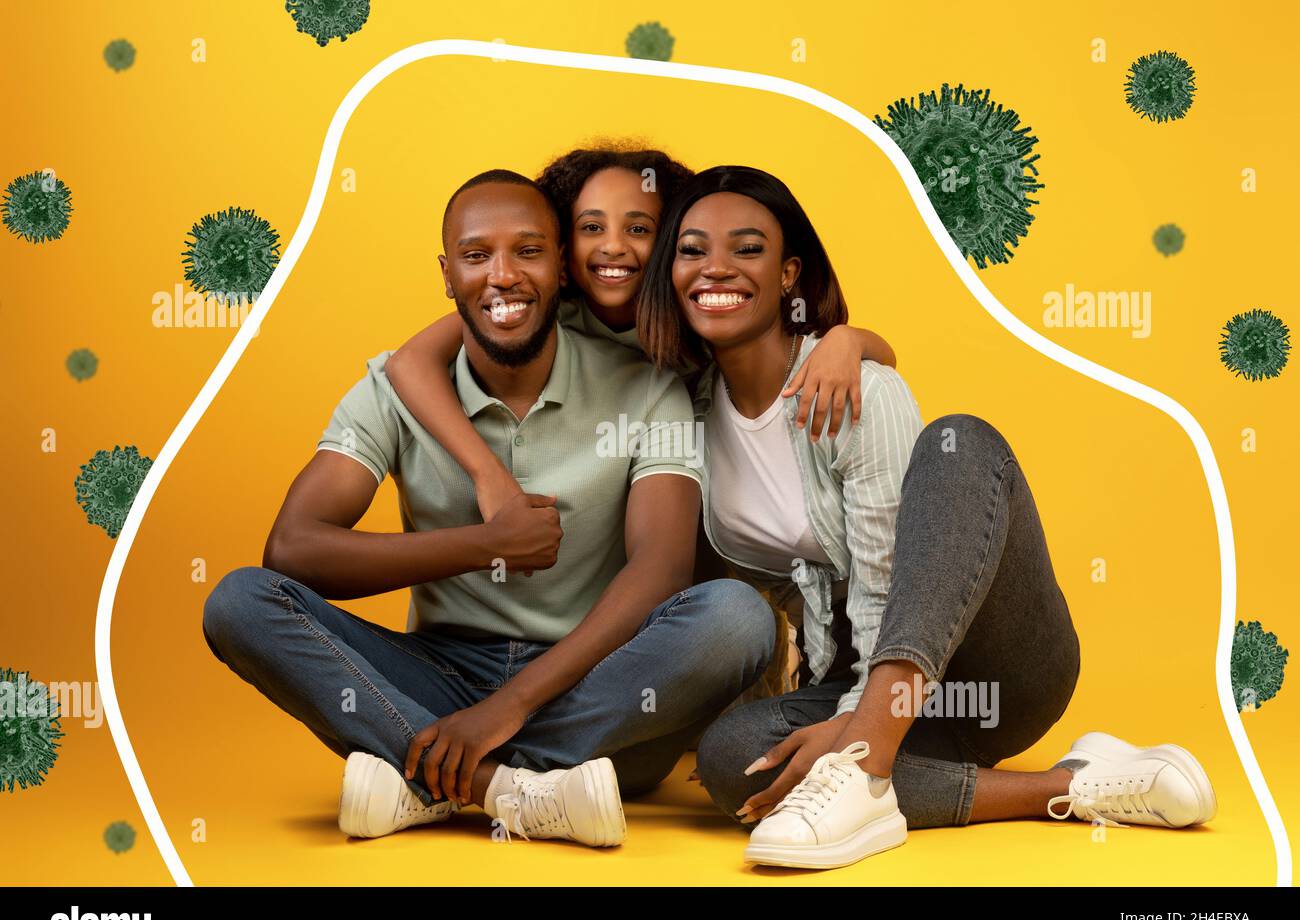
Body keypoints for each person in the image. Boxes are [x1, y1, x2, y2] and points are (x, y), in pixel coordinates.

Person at [635, 165, 1217, 869]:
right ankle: (1072, 786)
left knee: (959, 440)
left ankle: (863, 765)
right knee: (735, 759)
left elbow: (882, 580)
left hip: (994, 665)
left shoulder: (855, 387)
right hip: (864, 686)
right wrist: (807, 711)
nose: (716, 268)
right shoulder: (682, 414)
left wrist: (858, 726)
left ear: (789, 274)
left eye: (747, 248)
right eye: (692, 250)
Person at [202, 169, 775, 847]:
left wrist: (508, 707)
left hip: (597, 683)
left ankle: (419, 773)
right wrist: (487, 543)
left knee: (737, 619)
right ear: (448, 275)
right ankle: (509, 791)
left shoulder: (649, 388)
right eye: (477, 257)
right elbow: (293, 551)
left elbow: (661, 568)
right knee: (240, 601)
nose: (503, 276)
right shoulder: (393, 392)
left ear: (562, 267)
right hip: (441, 676)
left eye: (528, 252)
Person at [384, 144, 899, 528]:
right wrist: (488, 474)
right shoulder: (538, 309)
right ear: (562, 250)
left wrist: (846, 341)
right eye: (591, 228)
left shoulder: (699, 311)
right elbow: (408, 364)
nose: (613, 247)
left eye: (638, 229)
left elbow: (865, 355)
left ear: (673, 239)